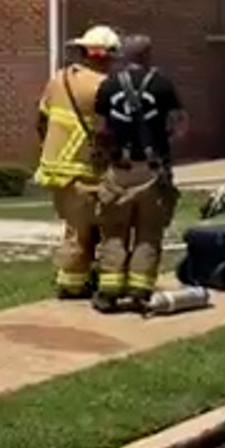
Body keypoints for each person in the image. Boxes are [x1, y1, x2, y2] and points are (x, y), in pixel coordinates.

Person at [90, 34, 186, 312]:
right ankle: (139, 291)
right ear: (147, 56)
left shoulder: (107, 86)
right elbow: (180, 124)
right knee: (149, 232)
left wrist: (105, 154)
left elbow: (99, 127)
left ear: (123, 56)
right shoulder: (163, 85)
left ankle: (108, 293)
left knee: (114, 233)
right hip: (152, 170)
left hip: (119, 169)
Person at [33, 25, 120, 298]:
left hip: (54, 169)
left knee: (75, 228)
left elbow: (41, 121)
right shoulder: (105, 87)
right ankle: (75, 286)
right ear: (107, 56)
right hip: (83, 172)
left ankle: (74, 281)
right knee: (88, 232)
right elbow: (111, 132)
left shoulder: (59, 80)